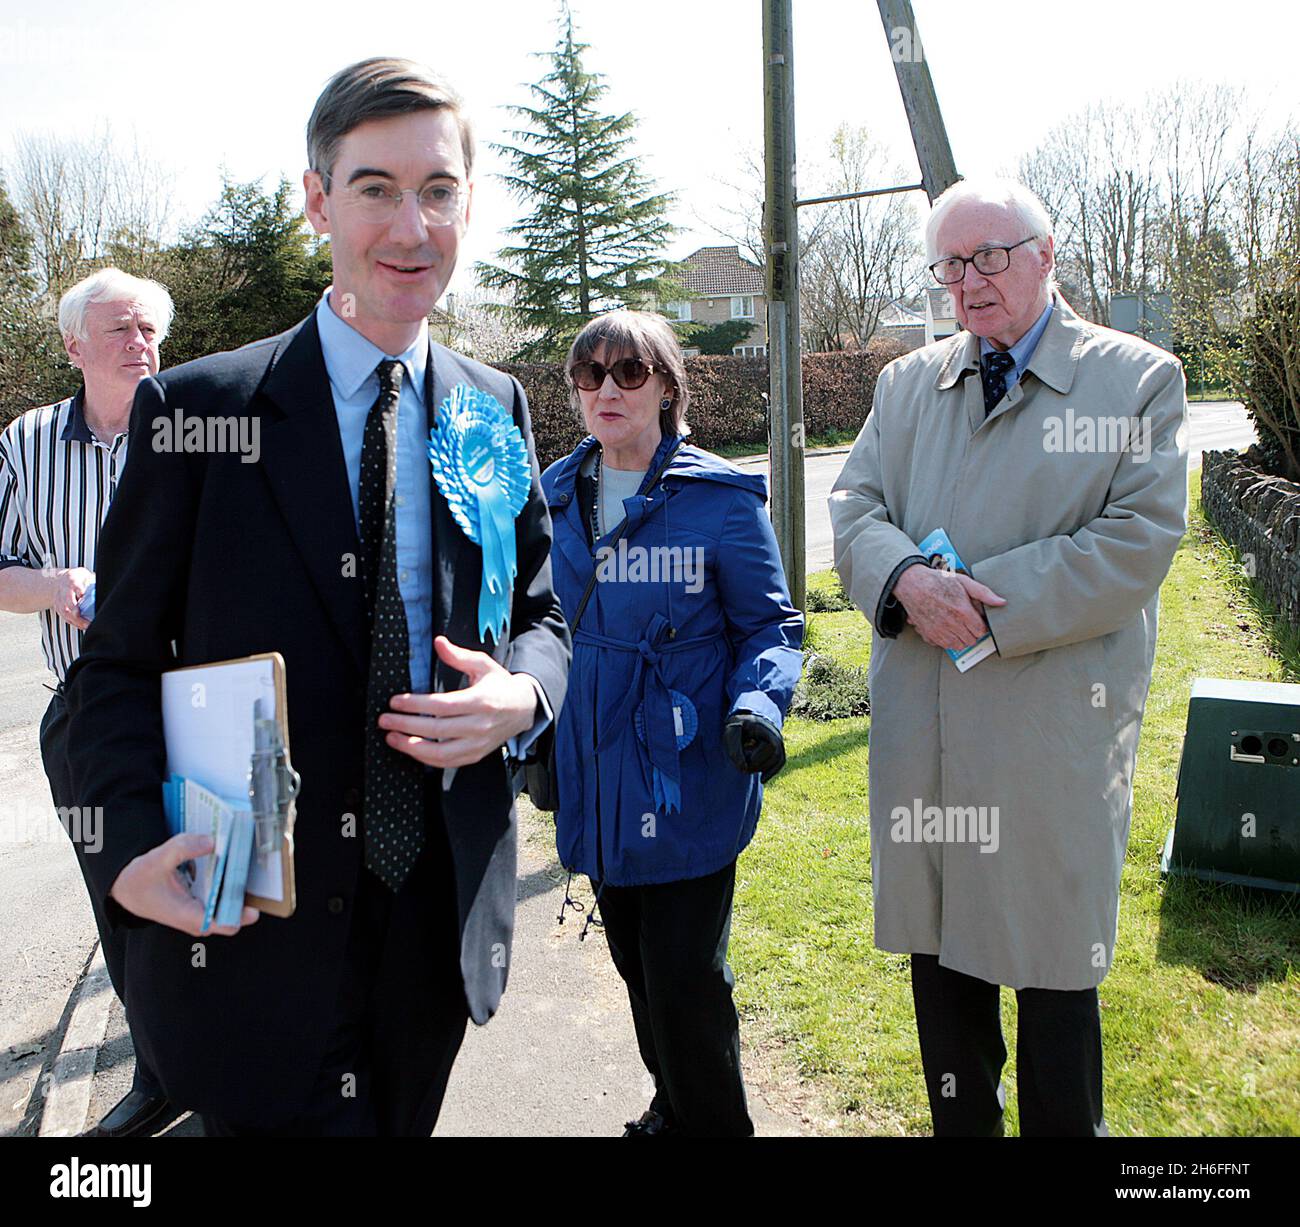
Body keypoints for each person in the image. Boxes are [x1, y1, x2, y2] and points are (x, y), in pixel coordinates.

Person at [64, 58, 570, 1136]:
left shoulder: (495, 405)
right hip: (257, 931)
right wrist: (124, 845)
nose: (411, 223)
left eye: (438, 190)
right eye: (376, 187)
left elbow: (545, 616)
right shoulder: (200, 413)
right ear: (317, 200)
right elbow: (106, 674)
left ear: (467, 205)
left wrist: (522, 700)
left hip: (434, 921)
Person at [829, 177, 1188, 1137]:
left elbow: (1136, 542)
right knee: (944, 969)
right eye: (951, 264)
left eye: (990, 255)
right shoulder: (907, 384)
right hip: (929, 735)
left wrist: (981, 606)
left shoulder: (1137, 380)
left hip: (1046, 737)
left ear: (1047, 252)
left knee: (1051, 964)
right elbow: (855, 508)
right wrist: (905, 579)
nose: (969, 283)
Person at [541, 310, 803, 1137]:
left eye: (629, 372)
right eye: (591, 375)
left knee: (686, 978)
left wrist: (759, 703)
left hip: (687, 772)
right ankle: (675, 1104)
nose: (608, 390)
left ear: (667, 387)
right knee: (634, 967)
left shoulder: (718, 500)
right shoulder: (550, 499)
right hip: (594, 767)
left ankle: (716, 1124)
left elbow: (772, 625)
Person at [0, 267, 180, 1137]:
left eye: (149, 329)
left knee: (237, 888)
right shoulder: (26, 442)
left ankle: (240, 1063)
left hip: (200, 702)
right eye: (118, 330)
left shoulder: (200, 425)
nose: (139, 343)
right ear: (73, 345)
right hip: (86, 712)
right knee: (122, 897)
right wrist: (49, 582)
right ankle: (160, 1074)